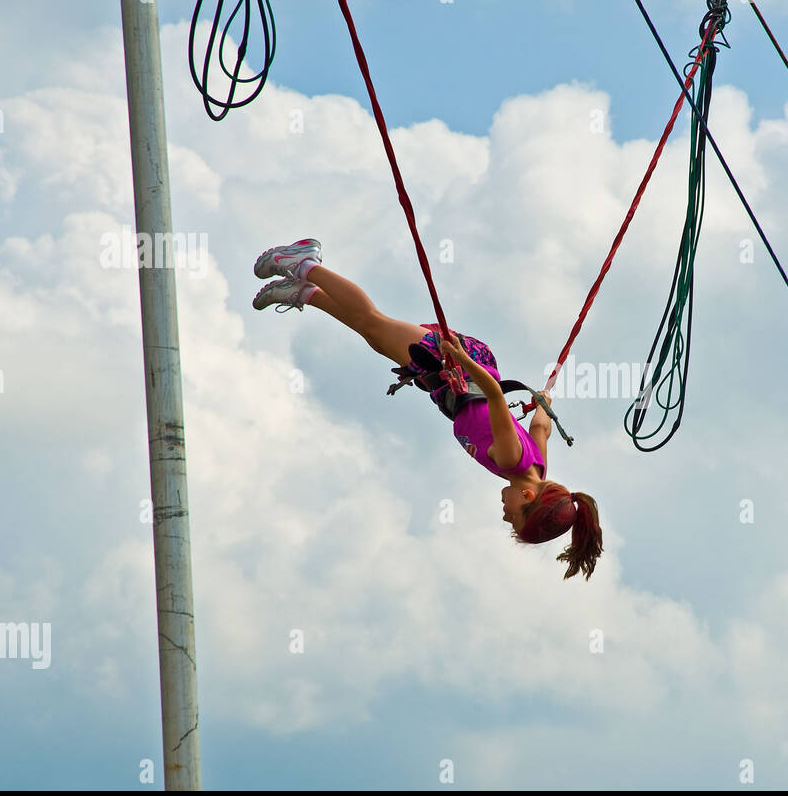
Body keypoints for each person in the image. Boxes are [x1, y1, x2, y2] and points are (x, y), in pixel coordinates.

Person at [251, 239, 602, 580]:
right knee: (373, 321)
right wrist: (461, 357)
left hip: (449, 377)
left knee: (373, 336)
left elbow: (540, 429)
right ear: (527, 498)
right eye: (513, 518)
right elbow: (495, 395)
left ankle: (303, 293)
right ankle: (305, 263)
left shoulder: (537, 470)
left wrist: (543, 403)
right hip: (459, 365)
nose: (504, 515)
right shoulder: (511, 460)